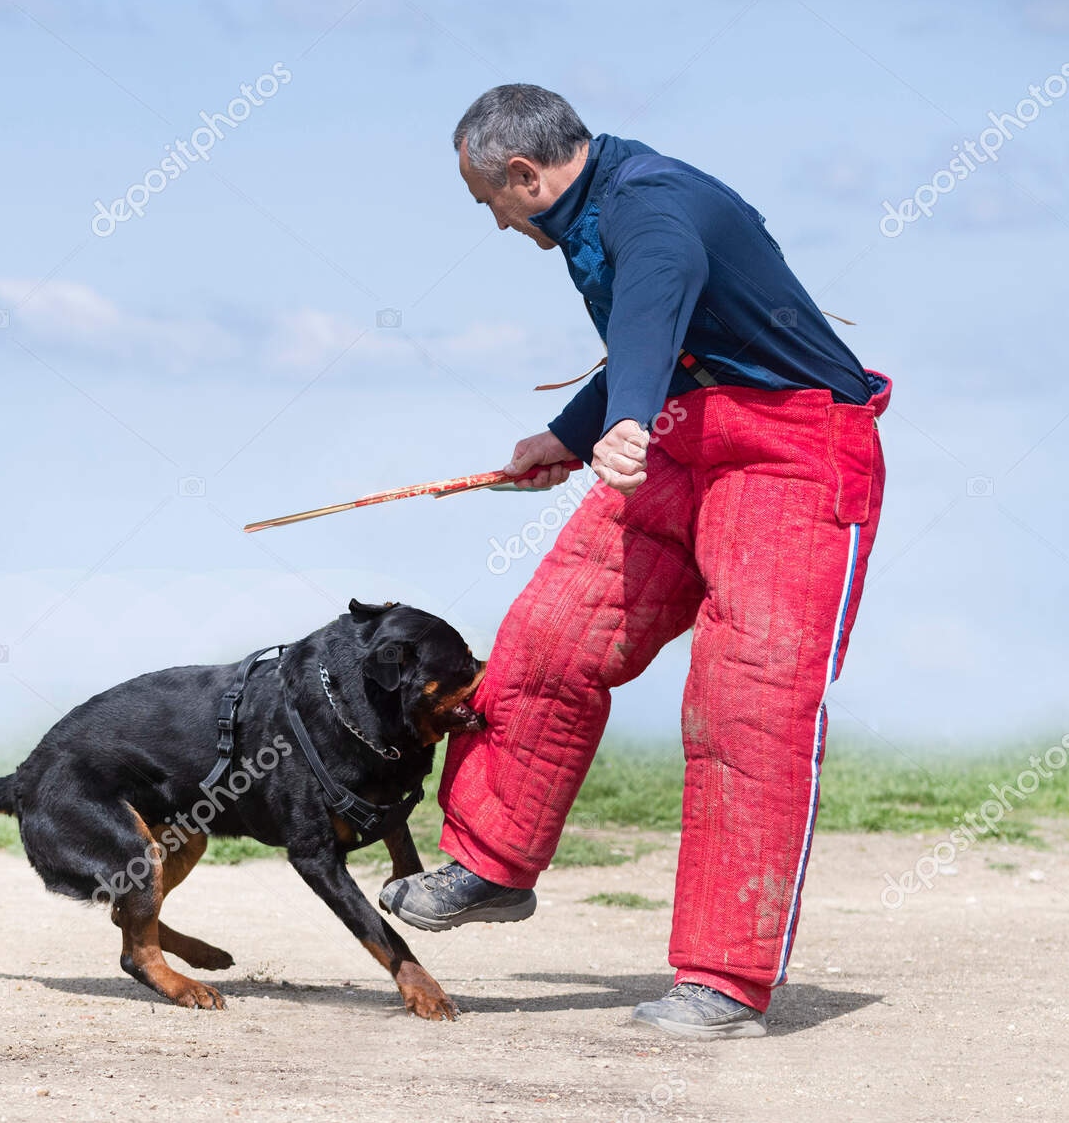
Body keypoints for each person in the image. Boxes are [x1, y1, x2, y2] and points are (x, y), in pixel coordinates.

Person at [380, 85, 891, 1040]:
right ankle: (492, 862)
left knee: (744, 702)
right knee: (547, 641)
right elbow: (648, 344)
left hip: (795, 452)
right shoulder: (587, 210)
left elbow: (657, 296)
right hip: (678, 439)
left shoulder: (650, 204)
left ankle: (723, 983)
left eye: (488, 199)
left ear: (524, 176)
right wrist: (569, 435)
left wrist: (621, 424)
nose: (493, 219)